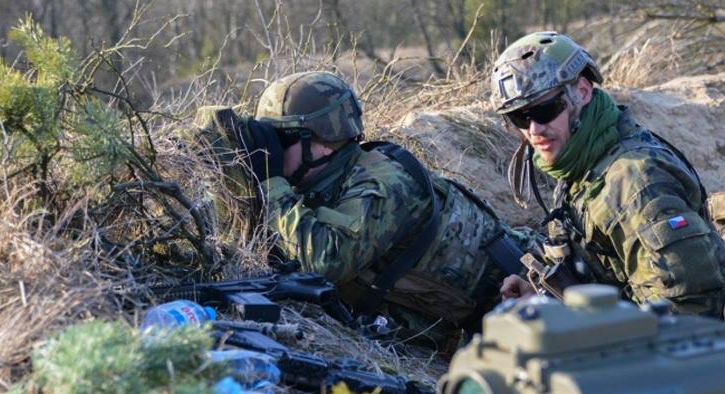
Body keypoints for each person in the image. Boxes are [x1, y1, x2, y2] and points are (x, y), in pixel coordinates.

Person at [491, 31, 725, 394]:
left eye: (544, 108)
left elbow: (696, 330)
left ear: (582, 91)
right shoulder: (584, 165)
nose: (533, 128)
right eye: (518, 118)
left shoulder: (636, 183)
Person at [191, 71, 538, 351]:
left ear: (320, 141)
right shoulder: (321, 182)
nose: (274, 154)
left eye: (280, 142)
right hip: (467, 325)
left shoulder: (383, 182)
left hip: (526, 300)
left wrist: (270, 182)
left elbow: (326, 261)